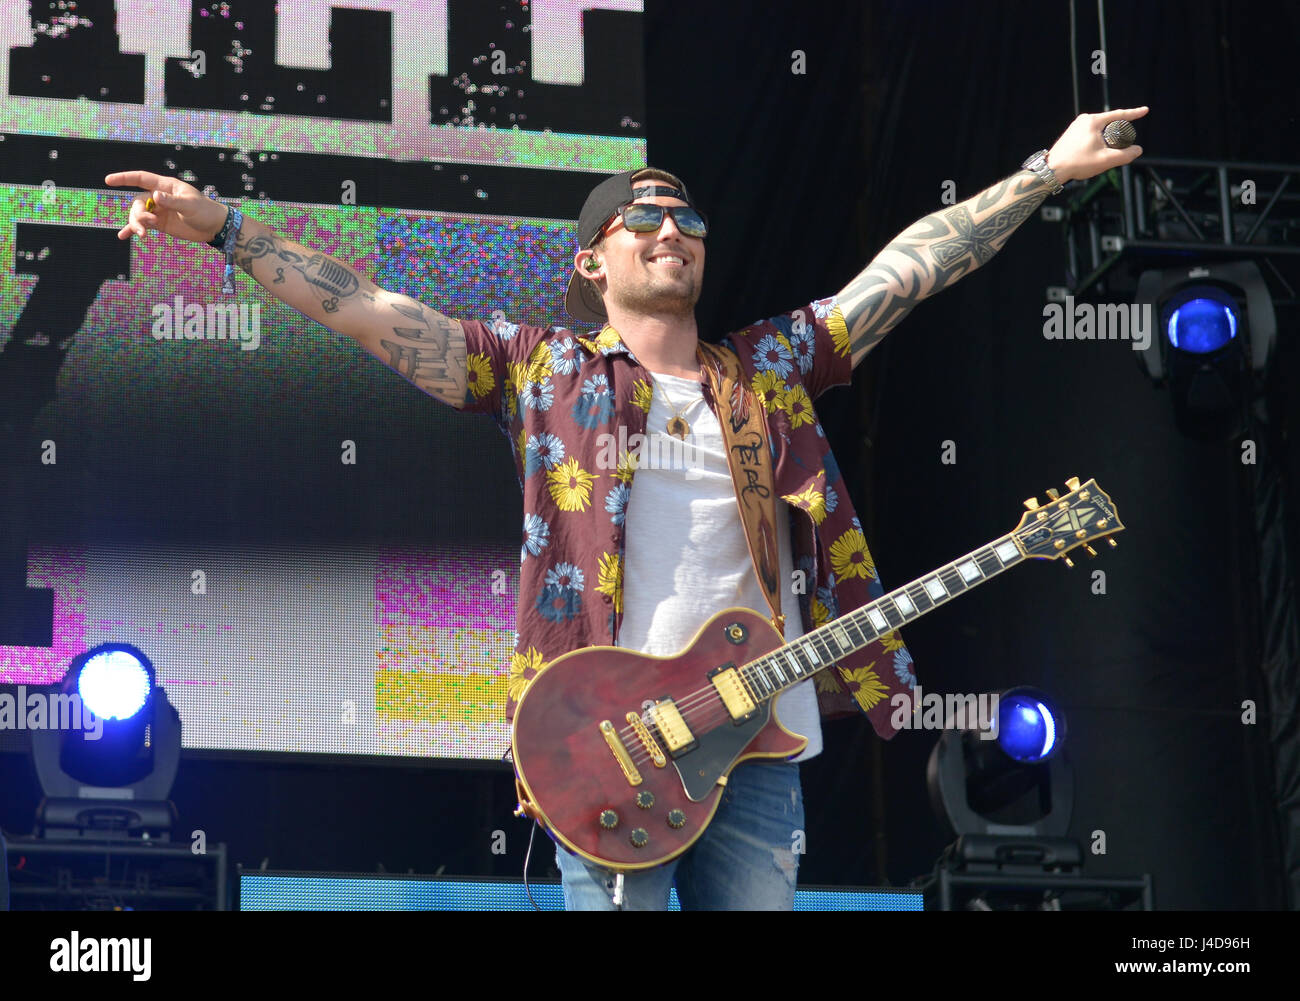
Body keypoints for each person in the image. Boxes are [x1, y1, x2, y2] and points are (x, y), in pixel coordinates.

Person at [105, 105, 1146, 910]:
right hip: (605, 737)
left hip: (758, 743)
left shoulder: (767, 368)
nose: (669, 231)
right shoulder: (536, 368)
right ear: (591, 259)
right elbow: (375, 313)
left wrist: (1045, 170)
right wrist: (228, 228)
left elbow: (908, 273)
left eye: (686, 218)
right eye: (639, 218)